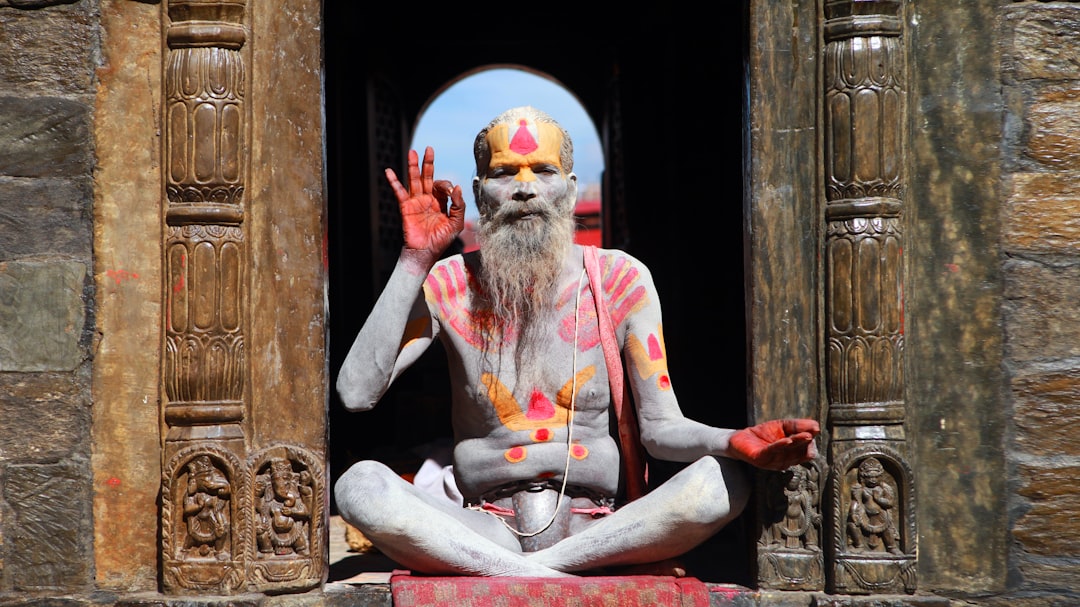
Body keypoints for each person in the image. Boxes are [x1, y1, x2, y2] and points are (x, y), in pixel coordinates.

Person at [334, 106, 819, 577]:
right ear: (481, 194)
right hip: (484, 528)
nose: (524, 187)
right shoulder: (449, 284)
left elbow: (659, 429)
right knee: (359, 486)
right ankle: (548, 572)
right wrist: (414, 260)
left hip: (604, 527)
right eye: (505, 173)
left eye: (542, 170)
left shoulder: (620, 281)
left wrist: (731, 441)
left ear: (568, 190)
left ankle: (528, 573)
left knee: (724, 481)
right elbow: (356, 394)